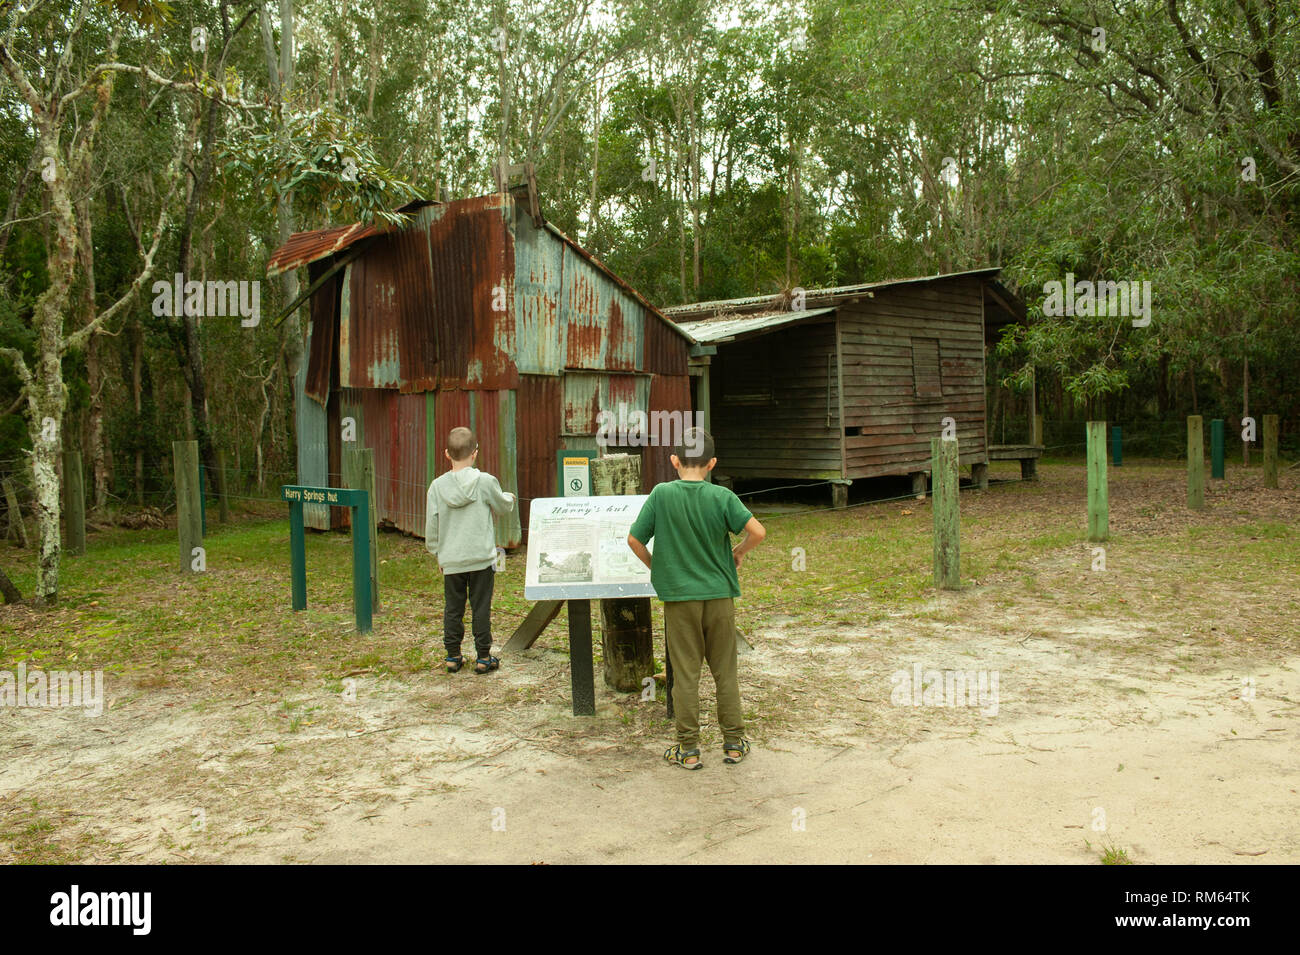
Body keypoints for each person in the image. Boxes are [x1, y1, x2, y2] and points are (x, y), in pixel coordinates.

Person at [626, 427, 766, 769]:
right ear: (712, 463)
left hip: (680, 599)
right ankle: (733, 743)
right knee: (725, 672)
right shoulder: (721, 497)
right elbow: (758, 531)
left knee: (686, 674)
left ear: (674, 460)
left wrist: (659, 567)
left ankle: (688, 749)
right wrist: (739, 552)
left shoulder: (661, 494)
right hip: (719, 596)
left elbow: (634, 540)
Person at [425, 426, 515, 675]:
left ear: (447, 454)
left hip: (452, 559)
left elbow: (432, 525)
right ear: (475, 453)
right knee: (481, 607)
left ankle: (453, 656)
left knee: (453, 608)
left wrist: (437, 552)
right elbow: (503, 505)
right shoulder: (485, 481)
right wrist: (509, 496)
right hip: (481, 559)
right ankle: (483, 657)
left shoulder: (436, 487)